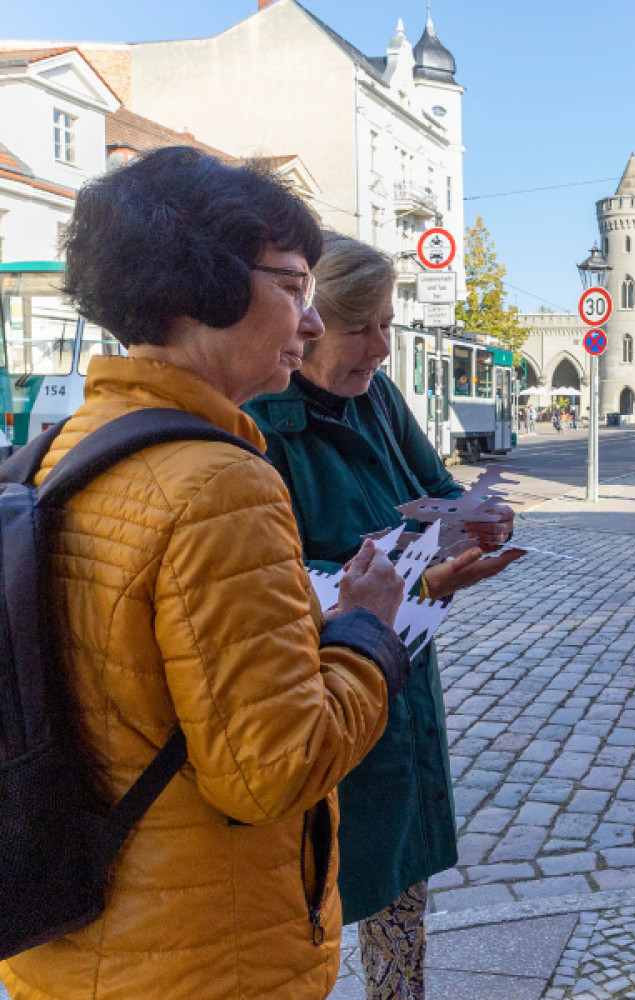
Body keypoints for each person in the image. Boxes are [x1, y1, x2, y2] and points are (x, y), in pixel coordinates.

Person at [0, 147, 409, 1000]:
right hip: (206, 953)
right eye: (294, 287)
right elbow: (273, 768)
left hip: (70, 937)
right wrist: (368, 630)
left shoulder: (52, 453)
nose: (310, 321)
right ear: (209, 282)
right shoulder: (219, 483)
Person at [245, 232, 523, 1000]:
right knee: (313, 900)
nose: (381, 346)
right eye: (361, 326)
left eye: (388, 323)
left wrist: (475, 519)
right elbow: (274, 578)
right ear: (307, 323)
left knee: (399, 890)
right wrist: (408, 578)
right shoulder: (261, 422)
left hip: (397, 681)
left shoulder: (378, 399)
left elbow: (435, 487)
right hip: (317, 693)